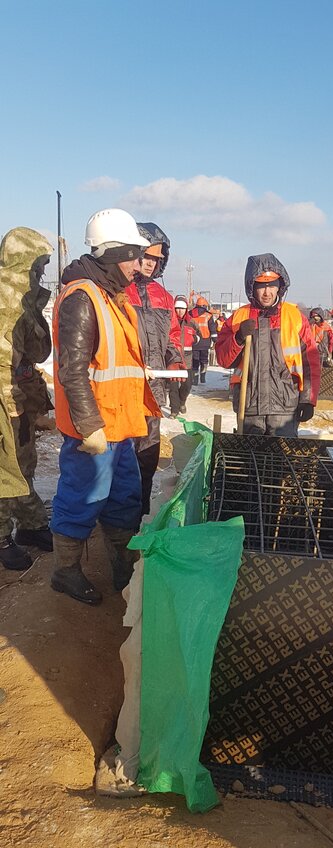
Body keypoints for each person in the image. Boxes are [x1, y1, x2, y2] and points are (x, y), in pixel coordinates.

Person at [50, 208, 160, 605]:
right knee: (81, 498)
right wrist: (89, 426)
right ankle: (65, 571)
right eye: (133, 255)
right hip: (94, 431)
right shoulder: (83, 298)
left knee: (124, 498)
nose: (139, 265)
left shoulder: (111, 297)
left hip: (121, 425)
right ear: (113, 253)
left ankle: (121, 563)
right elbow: (72, 371)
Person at [215, 253, 320, 436]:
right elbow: (223, 359)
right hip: (249, 408)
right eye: (261, 286)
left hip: (285, 409)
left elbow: (310, 361)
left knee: (279, 462)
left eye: (272, 285)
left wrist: (309, 399)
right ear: (252, 287)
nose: (267, 292)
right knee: (250, 462)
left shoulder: (294, 317)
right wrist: (238, 337)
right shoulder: (239, 317)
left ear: (279, 287)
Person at [0, 227, 54, 570]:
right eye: (40, 266)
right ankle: (2, 536)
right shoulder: (5, 296)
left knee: (23, 464)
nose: (43, 273)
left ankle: (30, 526)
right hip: (7, 399)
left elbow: (37, 349)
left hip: (21, 395)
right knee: (5, 469)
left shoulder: (24, 295)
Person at [125, 224, 185, 513]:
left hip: (154, 391)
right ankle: (117, 521)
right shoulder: (118, 291)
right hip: (123, 390)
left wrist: (174, 361)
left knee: (148, 457)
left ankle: (140, 514)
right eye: (145, 255)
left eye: (155, 258)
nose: (149, 262)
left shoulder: (164, 297)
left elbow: (173, 337)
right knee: (121, 458)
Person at [168, 295, 199, 414]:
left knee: (187, 385)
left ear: (186, 309)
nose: (179, 311)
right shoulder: (169, 321)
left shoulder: (191, 322)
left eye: (182, 308)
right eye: (177, 308)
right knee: (173, 387)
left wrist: (193, 339)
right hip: (173, 359)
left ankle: (182, 402)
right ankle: (174, 410)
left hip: (187, 360)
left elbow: (200, 336)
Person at [189, 296, 217, 385]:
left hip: (194, 342)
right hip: (205, 342)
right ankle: (203, 377)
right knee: (204, 360)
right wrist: (215, 340)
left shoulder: (190, 314)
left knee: (195, 360)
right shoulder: (208, 316)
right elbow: (212, 329)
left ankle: (195, 379)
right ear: (204, 306)